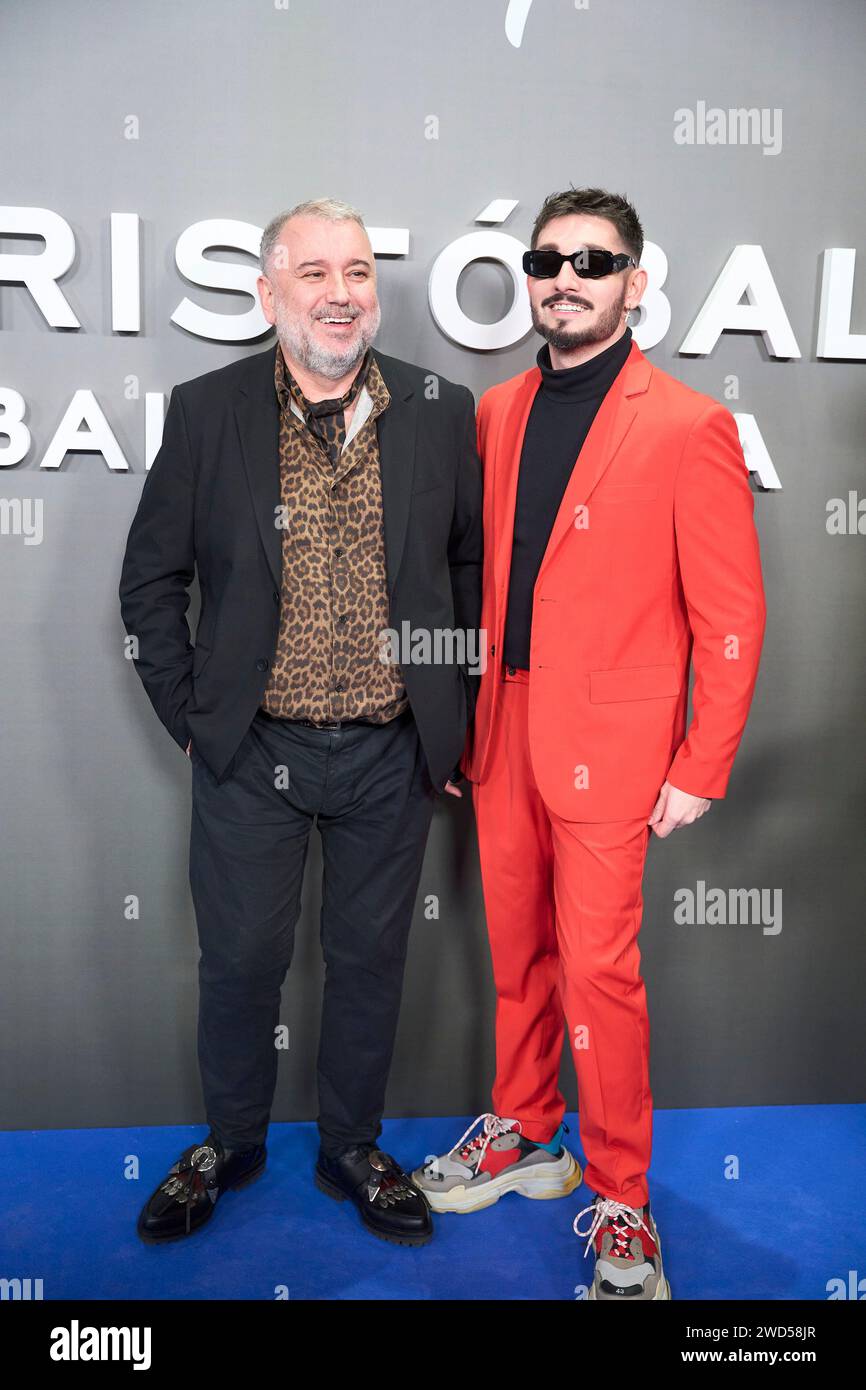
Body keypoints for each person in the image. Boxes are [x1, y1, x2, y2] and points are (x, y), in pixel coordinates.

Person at [412, 187, 766, 1299]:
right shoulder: (497, 408)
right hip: (501, 723)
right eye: (547, 258)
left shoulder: (685, 423)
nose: (565, 276)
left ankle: (621, 1198)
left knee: (598, 972)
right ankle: (527, 1131)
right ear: (528, 274)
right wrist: (468, 720)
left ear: (633, 280)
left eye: (592, 260)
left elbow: (730, 613)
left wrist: (699, 763)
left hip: (610, 740)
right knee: (512, 945)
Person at [119, 197, 482, 1248]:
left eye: (358, 272)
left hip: (388, 749)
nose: (340, 294)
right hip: (253, 749)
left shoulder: (436, 404)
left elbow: (461, 567)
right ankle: (228, 1145)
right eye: (314, 273)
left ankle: (351, 1148)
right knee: (238, 963)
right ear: (267, 292)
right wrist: (196, 717)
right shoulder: (208, 409)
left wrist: (445, 714)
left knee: (370, 960)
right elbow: (151, 582)